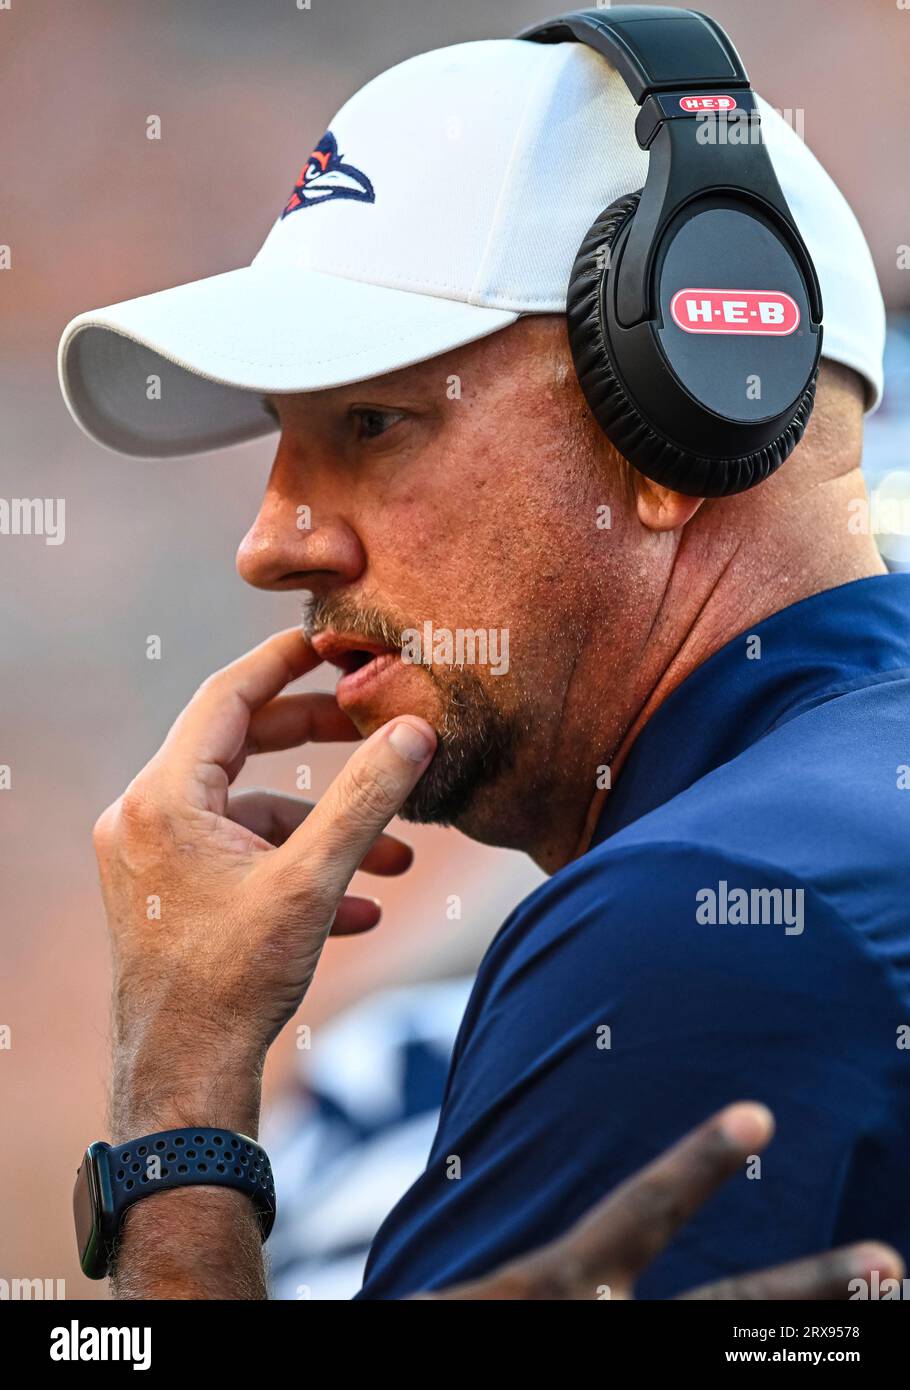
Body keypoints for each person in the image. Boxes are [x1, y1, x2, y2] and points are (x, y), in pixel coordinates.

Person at [60, 21, 910, 1298]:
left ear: (668, 438)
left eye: (369, 422)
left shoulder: (692, 919)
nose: (267, 543)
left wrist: (177, 1097)